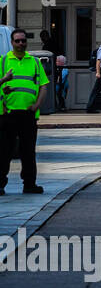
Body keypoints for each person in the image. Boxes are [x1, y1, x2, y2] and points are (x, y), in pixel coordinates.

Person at [0, 30, 50, 195]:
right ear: (12, 42)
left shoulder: (34, 62)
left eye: (23, 41)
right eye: (17, 41)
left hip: (28, 115)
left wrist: (36, 105)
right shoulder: (3, 61)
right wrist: (4, 86)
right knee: (4, 151)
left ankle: (29, 184)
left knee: (28, 151)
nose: (21, 44)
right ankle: (0, 184)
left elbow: (43, 85)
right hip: (8, 114)